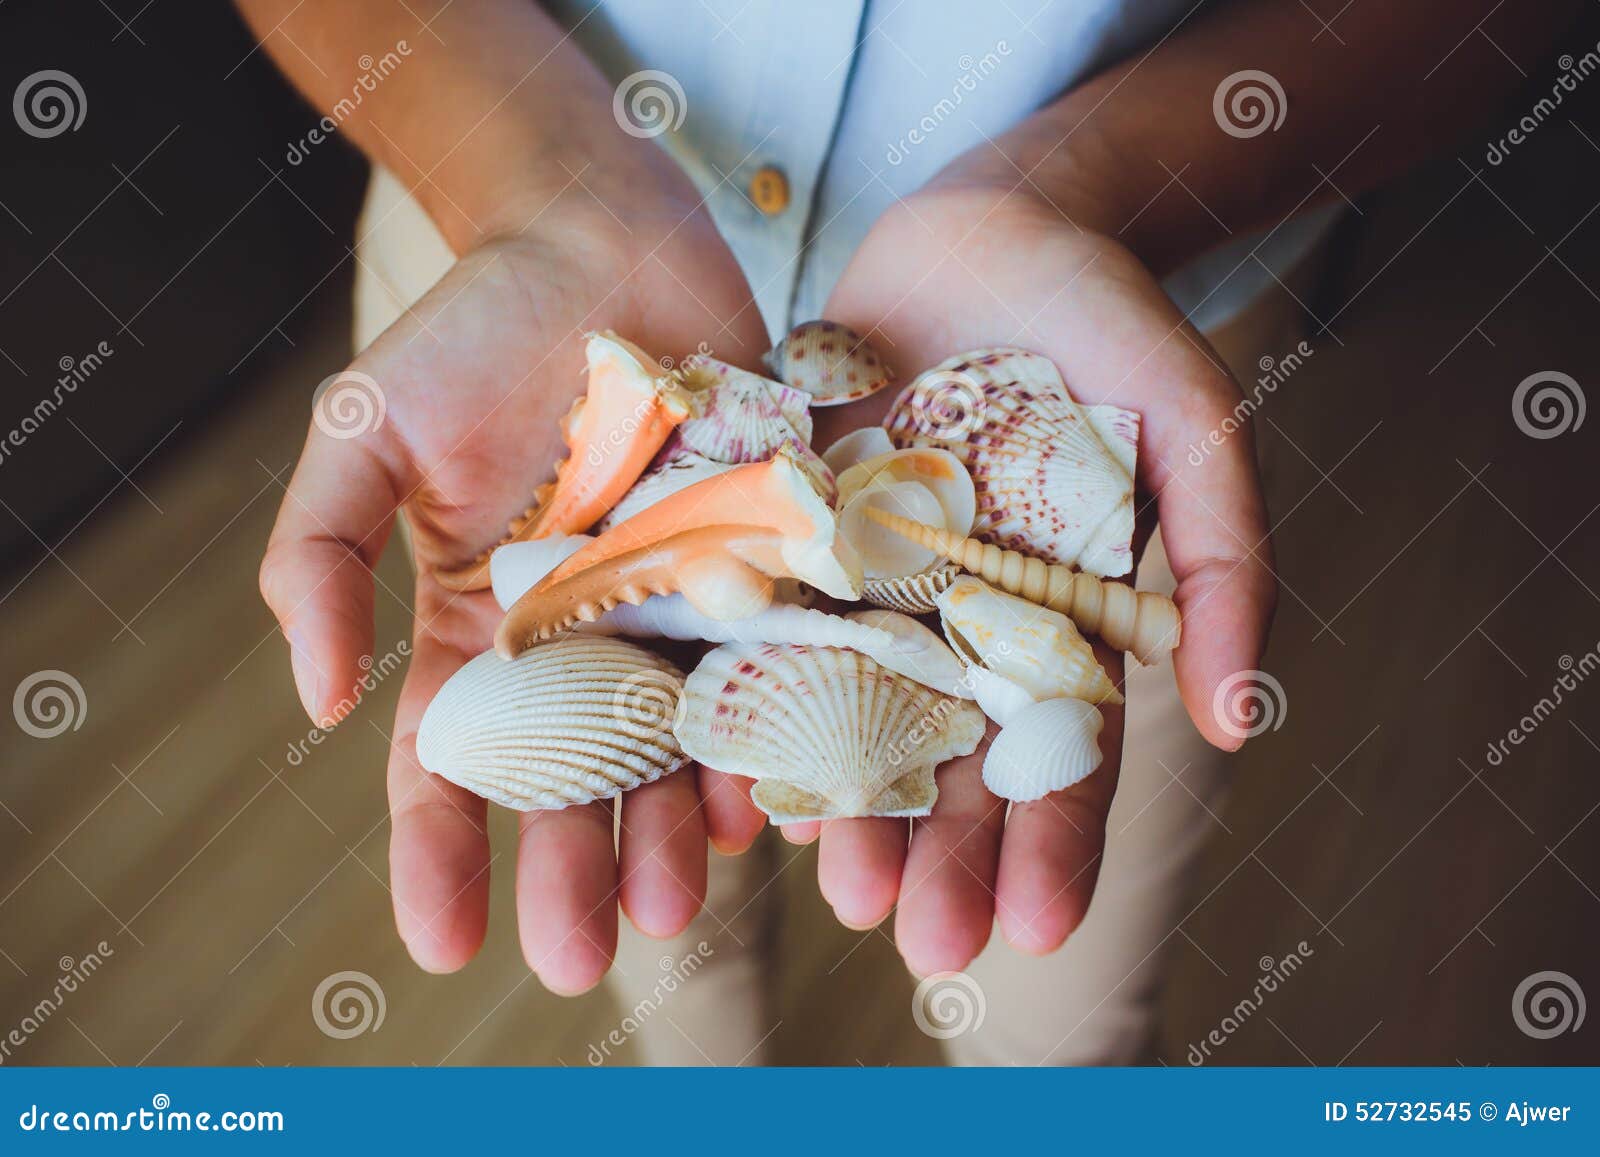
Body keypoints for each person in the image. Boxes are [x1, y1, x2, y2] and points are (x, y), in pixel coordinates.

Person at [244, 0, 1577, 1063]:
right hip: (522, 306)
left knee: (1061, 1020)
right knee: (663, 929)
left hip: (1102, 362)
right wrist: (544, 185)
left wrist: (1089, 185)